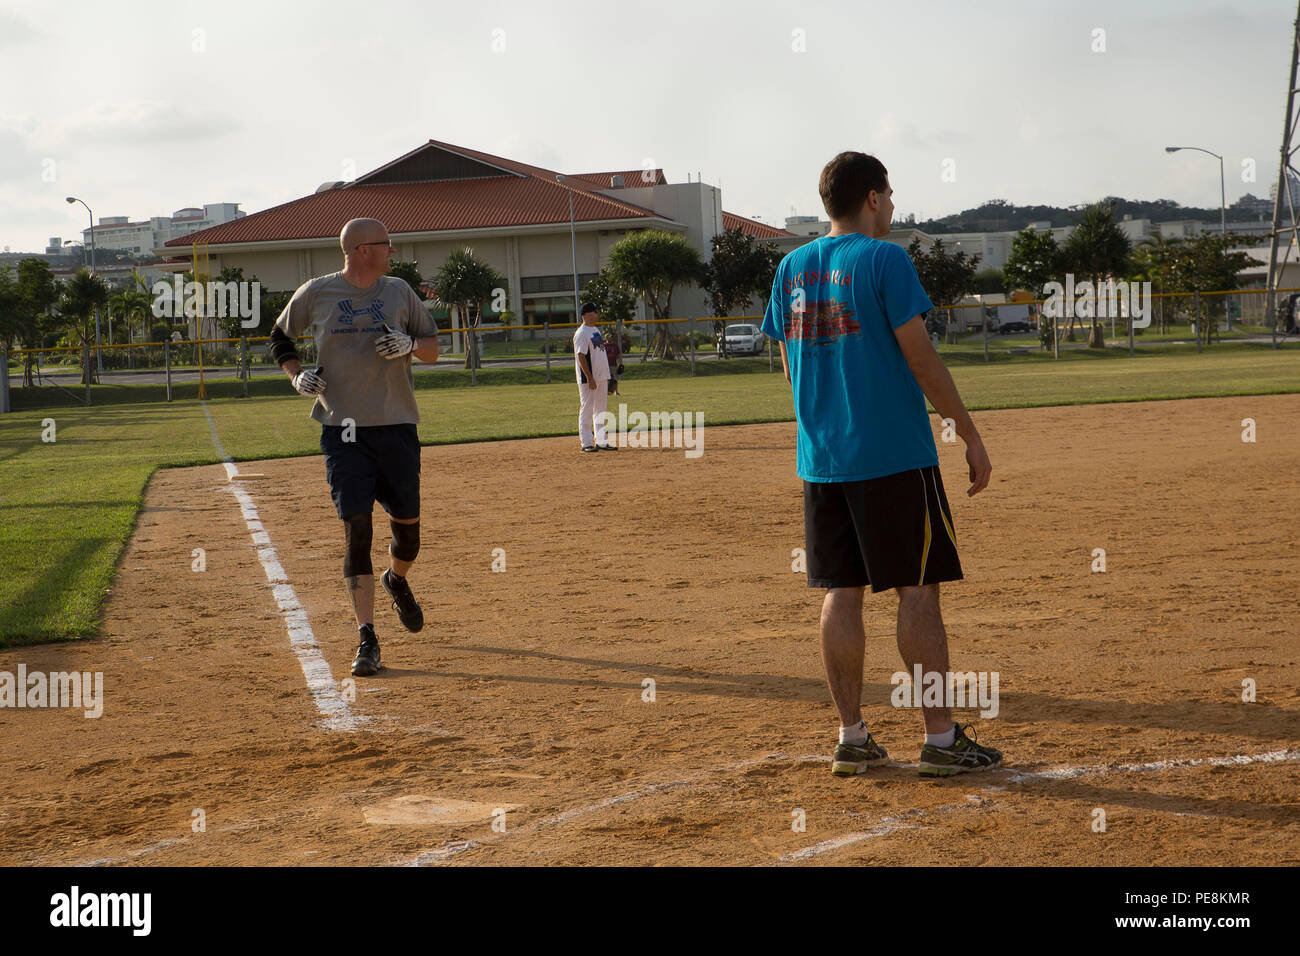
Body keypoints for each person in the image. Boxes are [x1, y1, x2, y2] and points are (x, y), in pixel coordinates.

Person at [760, 151, 1001, 778]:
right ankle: (942, 741)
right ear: (870, 198)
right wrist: (967, 433)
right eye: (888, 195)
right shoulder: (885, 259)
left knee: (843, 593)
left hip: (823, 461)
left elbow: (789, 366)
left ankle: (852, 736)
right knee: (918, 592)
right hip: (893, 457)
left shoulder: (790, 267)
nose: (892, 206)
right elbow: (921, 359)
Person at [269, 218, 440, 677]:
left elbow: (433, 347)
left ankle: (396, 579)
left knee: (408, 534)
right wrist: (296, 376)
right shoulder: (316, 292)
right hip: (342, 430)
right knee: (357, 528)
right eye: (387, 243)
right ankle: (367, 637)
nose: (393, 249)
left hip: (397, 426)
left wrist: (409, 344)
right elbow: (280, 336)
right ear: (363, 249)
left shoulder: (400, 291)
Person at [573, 302, 614, 451]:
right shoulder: (582, 333)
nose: (597, 314)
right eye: (595, 312)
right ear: (588, 314)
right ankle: (586, 443)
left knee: (601, 410)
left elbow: (599, 354)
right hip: (589, 379)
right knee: (587, 408)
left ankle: (601, 441)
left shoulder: (595, 330)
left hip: (601, 377)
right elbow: (581, 356)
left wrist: (607, 375)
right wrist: (589, 377)